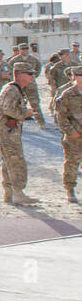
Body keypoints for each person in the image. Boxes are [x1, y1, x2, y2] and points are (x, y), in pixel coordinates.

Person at [0, 63, 40, 205]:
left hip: (9, 129)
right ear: (20, 74)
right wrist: (25, 113)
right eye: (29, 73)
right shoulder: (12, 90)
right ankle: (18, 193)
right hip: (7, 130)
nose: (32, 76)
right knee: (16, 160)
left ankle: (10, 194)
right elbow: (7, 109)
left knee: (9, 160)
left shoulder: (16, 89)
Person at [57, 67, 82, 204]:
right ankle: (70, 189)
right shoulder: (67, 94)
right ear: (75, 77)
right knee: (72, 163)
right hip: (74, 136)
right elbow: (61, 117)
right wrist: (71, 131)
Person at [13, 43, 48, 128]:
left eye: (26, 49)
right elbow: (10, 70)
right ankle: (17, 124)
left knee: (35, 103)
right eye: (22, 49)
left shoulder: (33, 59)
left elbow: (38, 68)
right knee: (17, 105)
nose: (25, 50)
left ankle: (41, 122)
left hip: (31, 85)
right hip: (19, 86)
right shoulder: (14, 60)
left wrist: (33, 77)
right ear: (19, 50)